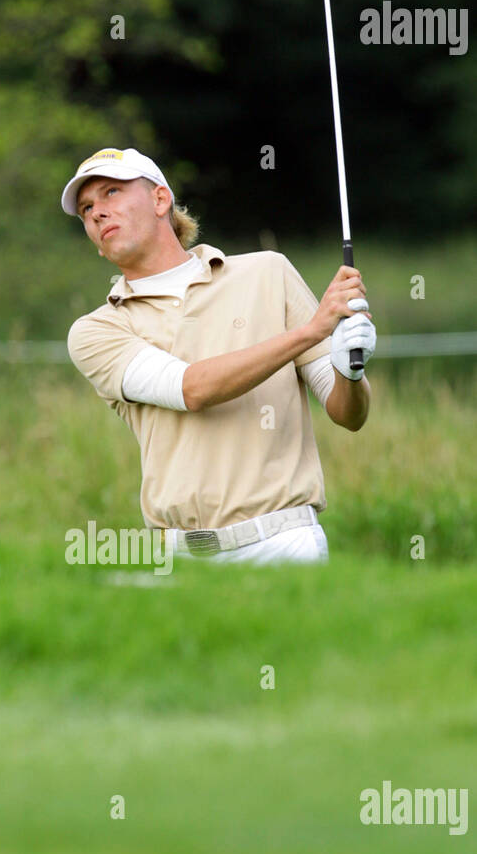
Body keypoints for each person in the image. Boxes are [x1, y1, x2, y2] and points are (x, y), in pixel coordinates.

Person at [62, 147, 376, 565]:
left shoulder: (269, 272)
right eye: (86, 208)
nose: (97, 212)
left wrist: (349, 369)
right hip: (182, 559)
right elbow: (191, 389)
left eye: (112, 193)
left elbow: (348, 414)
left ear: (160, 200)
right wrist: (312, 331)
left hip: (283, 543)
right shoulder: (96, 330)